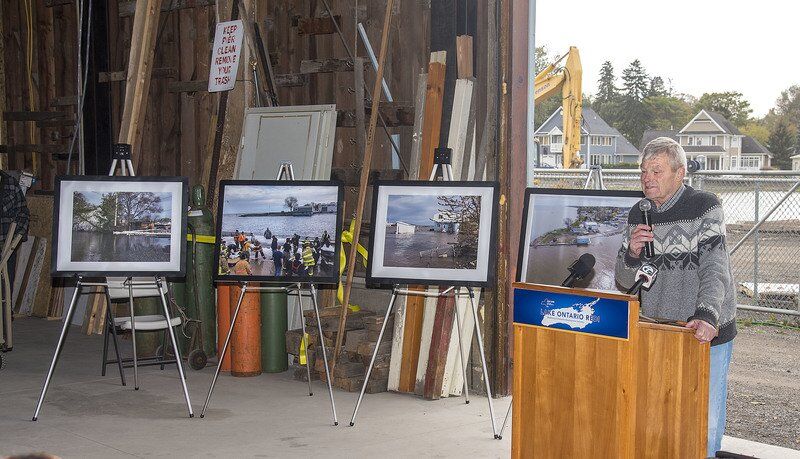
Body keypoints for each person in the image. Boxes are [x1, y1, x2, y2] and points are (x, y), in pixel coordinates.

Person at [614, 137, 736, 457]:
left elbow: (715, 267)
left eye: (656, 171)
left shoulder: (705, 205)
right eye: (643, 172)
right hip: (658, 331)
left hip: (704, 329)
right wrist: (631, 253)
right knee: (659, 419)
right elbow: (625, 283)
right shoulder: (638, 213)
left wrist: (707, 314)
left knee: (703, 425)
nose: (647, 179)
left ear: (679, 173)